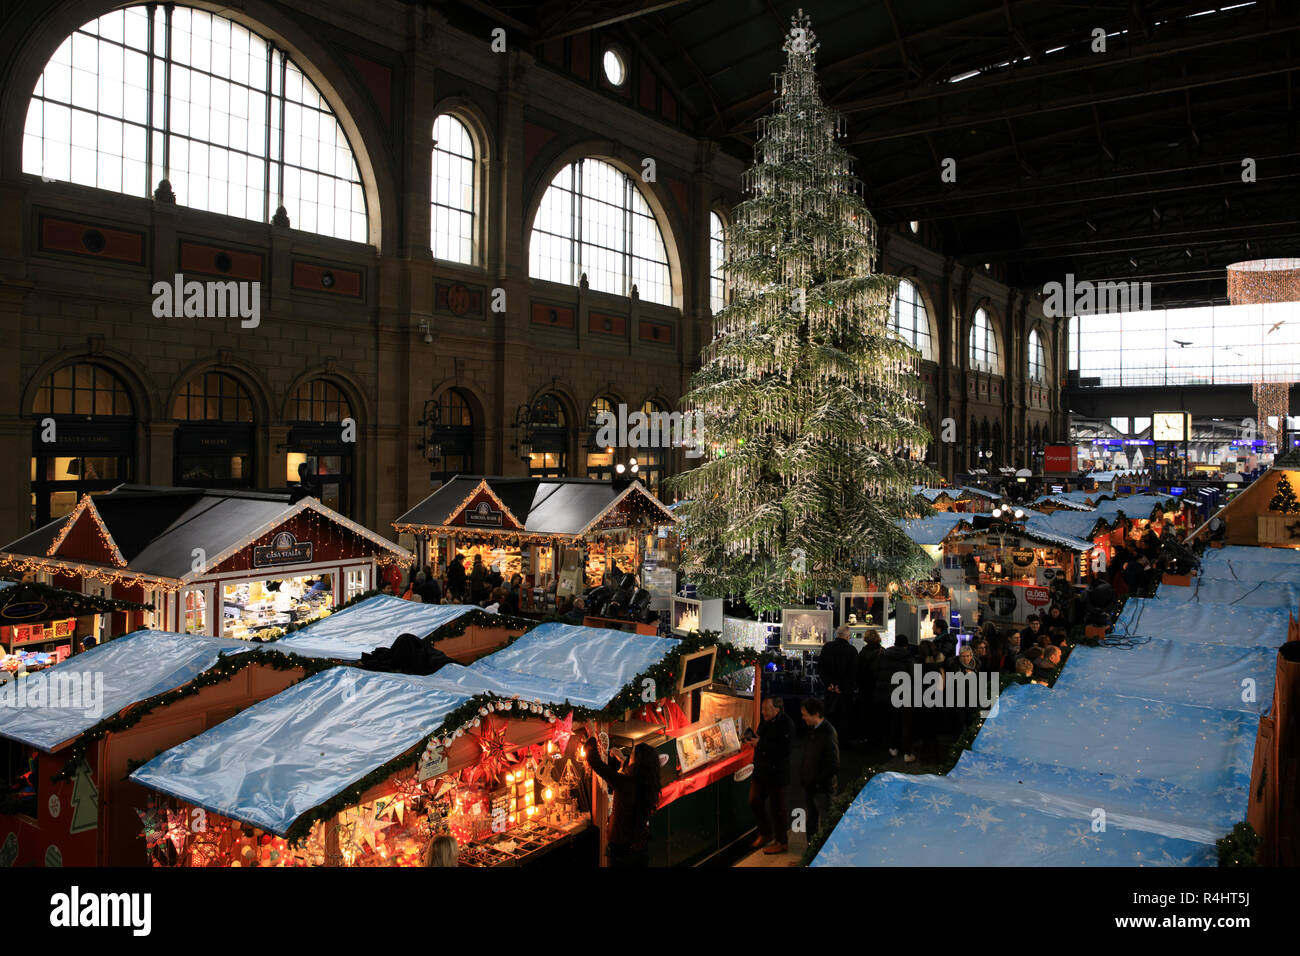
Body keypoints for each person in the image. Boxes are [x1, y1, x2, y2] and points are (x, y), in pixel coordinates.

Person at [583, 737, 661, 866]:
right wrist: (623, 759)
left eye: (631, 756)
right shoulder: (647, 781)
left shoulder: (625, 783)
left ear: (636, 763)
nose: (629, 757)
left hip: (622, 850)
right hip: (639, 848)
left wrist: (591, 738)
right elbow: (633, 772)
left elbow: (595, 762)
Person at [747, 697, 795, 854]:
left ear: (777, 709)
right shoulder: (765, 721)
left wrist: (760, 744)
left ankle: (782, 842)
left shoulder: (786, 724)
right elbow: (762, 738)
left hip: (776, 774)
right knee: (754, 800)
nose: (763, 712)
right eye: (762, 709)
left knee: (778, 808)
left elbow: (784, 750)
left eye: (766, 709)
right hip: (761, 771)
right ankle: (766, 833)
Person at [799, 698, 840, 838]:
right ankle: (811, 854)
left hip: (822, 790)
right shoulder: (812, 731)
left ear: (815, 714)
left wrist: (816, 782)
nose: (803, 717)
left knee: (827, 825)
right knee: (811, 822)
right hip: (811, 787)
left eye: (805, 714)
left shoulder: (828, 733)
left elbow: (833, 765)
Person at [817, 625, 858, 736]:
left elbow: (821, 668)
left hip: (829, 690)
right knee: (844, 718)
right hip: (844, 692)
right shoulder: (852, 650)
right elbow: (853, 673)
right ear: (848, 636)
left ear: (837, 635)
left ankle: (828, 741)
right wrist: (841, 687)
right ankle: (842, 743)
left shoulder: (827, 647)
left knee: (830, 717)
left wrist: (829, 684)